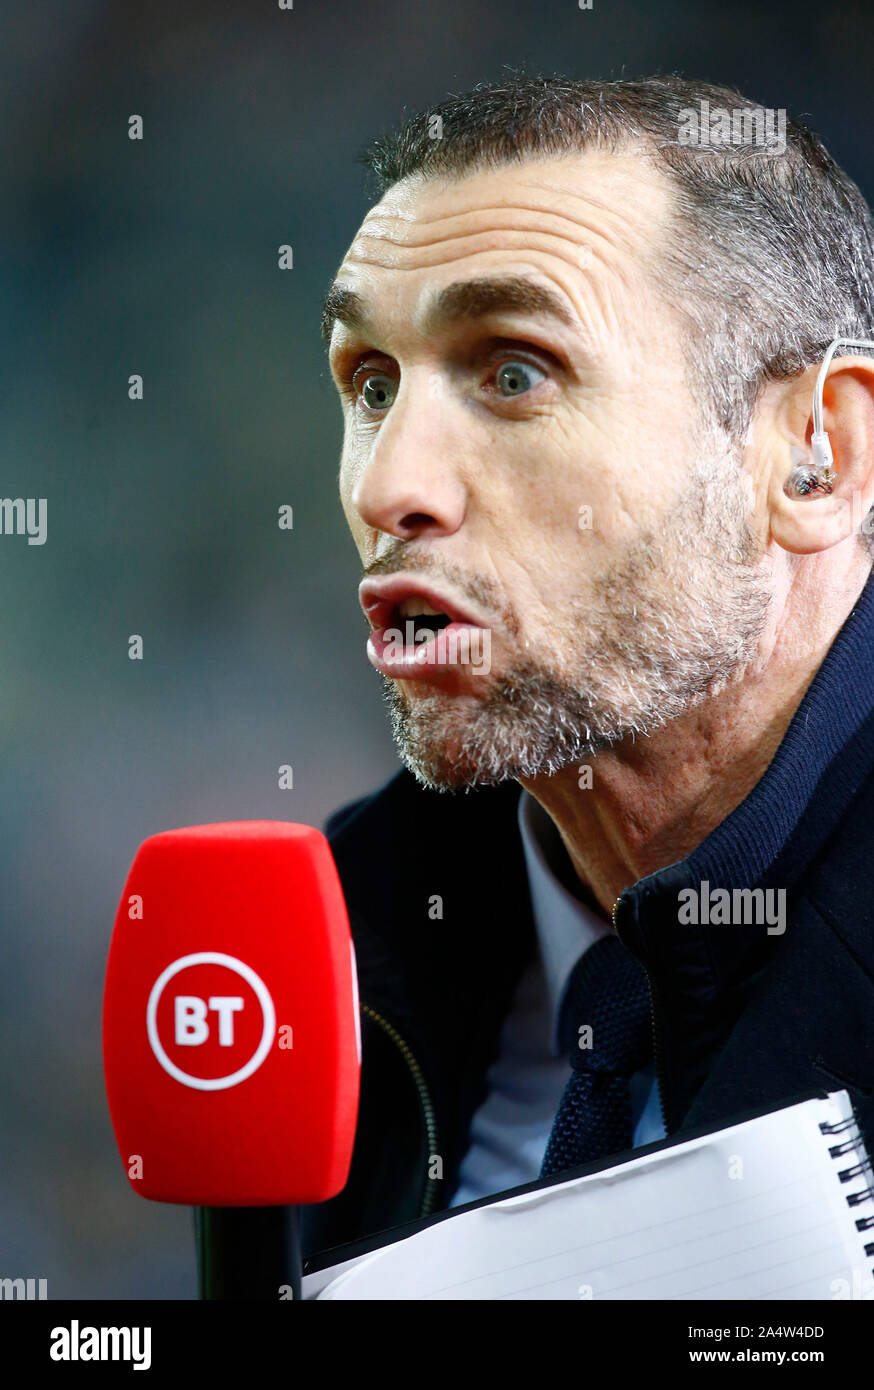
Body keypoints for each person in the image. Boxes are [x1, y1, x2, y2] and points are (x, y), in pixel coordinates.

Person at [301, 72, 874, 1263]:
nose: (384, 488)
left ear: (817, 457)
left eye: (513, 371)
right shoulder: (323, 949)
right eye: (370, 381)